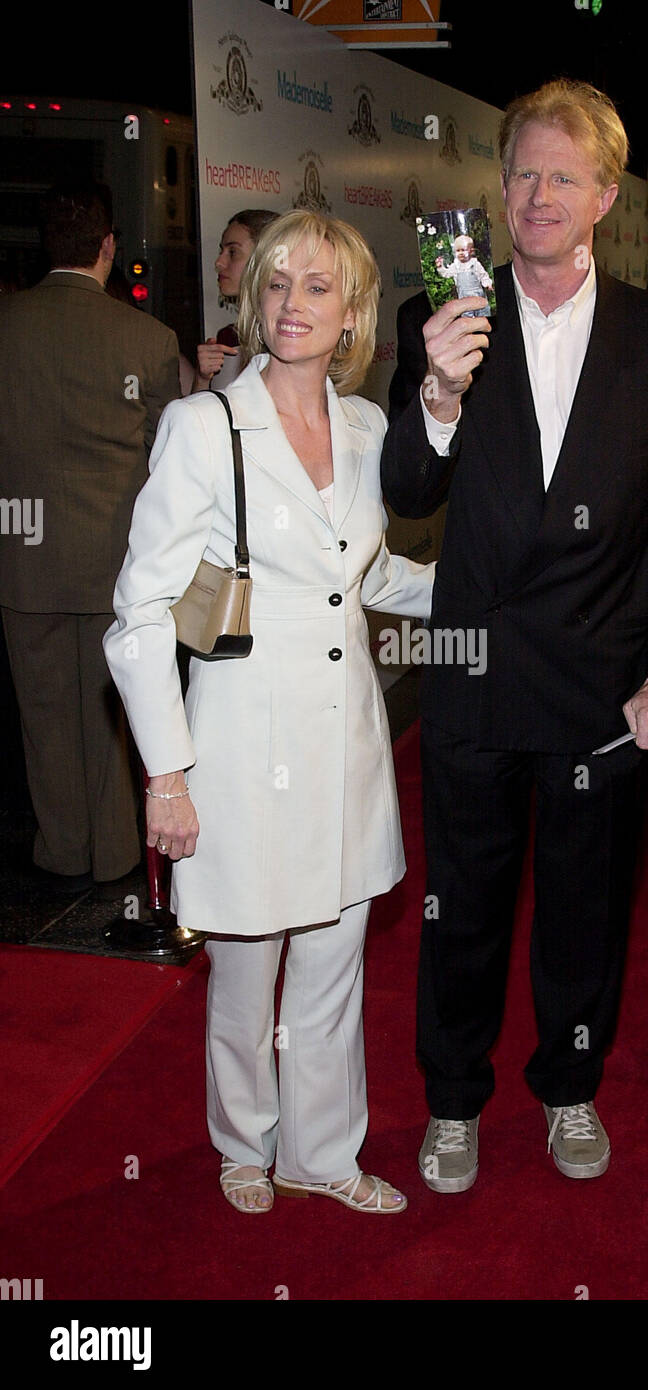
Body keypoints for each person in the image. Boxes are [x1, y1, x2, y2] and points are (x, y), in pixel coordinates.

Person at [382, 79, 648, 1192]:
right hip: (474, 672)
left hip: (602, 682)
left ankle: (569, 1087)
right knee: (462, 907)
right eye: (522, 172)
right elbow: (405, 488)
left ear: (603, 197)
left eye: (562, 177)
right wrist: (435, 393)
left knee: (584, 909)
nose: (537, 195)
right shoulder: (442, 314)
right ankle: (452, 1102)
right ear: (498, 187)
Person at [104, 210, 434, 1215]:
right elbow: (139, 612)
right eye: (279, 283)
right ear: (257, 301)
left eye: (318, 288)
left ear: (354, 315)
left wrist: (488, 589)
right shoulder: (203, 426)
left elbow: (366, 571)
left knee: (333, 965)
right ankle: (244, 1142)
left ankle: (324, 1156)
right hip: (242, 748)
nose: (293, 304)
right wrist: (167, 770)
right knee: (246, 970)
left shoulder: (370, 428)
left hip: (345, 743)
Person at [0, 180, 179, 892]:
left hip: (23, 558)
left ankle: (61, 850)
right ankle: (115, 854)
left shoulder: (7, 325)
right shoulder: (148, 338)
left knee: (43, 715)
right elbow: (167, 452)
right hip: (115, 560)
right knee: (114, 716)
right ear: (108, 248)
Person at [190, 209, 278, 392]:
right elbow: (201, 418)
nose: (218, 262)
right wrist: (202, 379)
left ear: (265, 258)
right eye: (222, 251)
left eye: (233, 252)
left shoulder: (293, 337)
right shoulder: (227, 339)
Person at [436, 235, 494, 308]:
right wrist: (440, 267)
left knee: (480, 310)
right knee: (466, 312)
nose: (460, 253)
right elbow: (446, 273)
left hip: (477, 294)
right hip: (463, 296)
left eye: (463, 250)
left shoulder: (475, 264)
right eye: (458, 250)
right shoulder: (456, 266)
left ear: (471, 251)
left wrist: (487, 284)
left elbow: (483, 275)